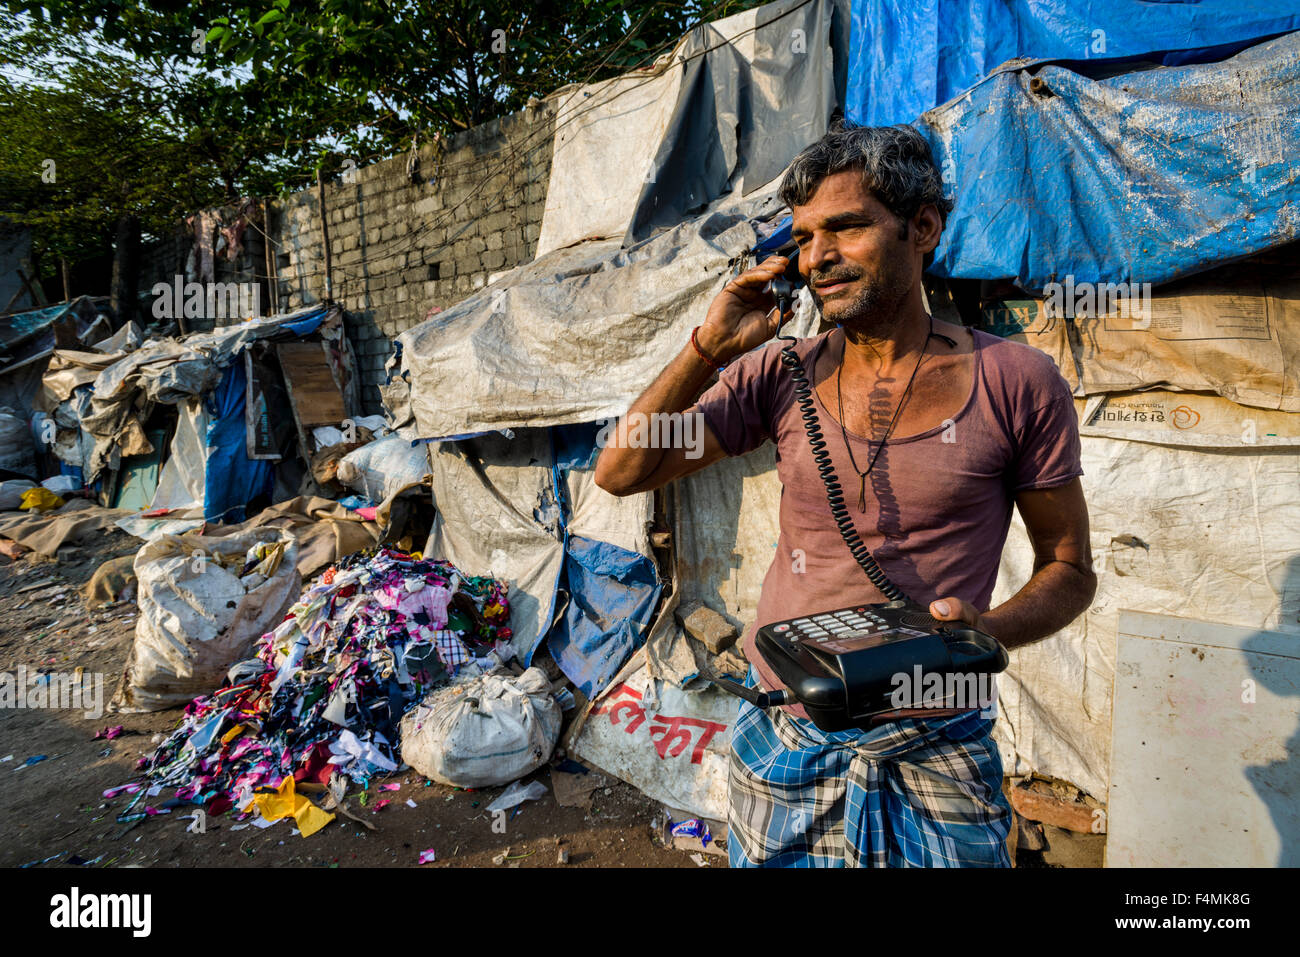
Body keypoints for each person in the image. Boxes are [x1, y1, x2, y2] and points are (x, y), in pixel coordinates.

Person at [594, 123, 1096, 867]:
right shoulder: (776, 374)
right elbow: (621, 470)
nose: (818, 257)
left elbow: (1070, 569)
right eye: (803, 237)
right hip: (791, 733)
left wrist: (986, 632)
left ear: (922, 227)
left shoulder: (1018, 382)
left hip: (937, 738)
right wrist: (708, 348)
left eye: (846, 226)